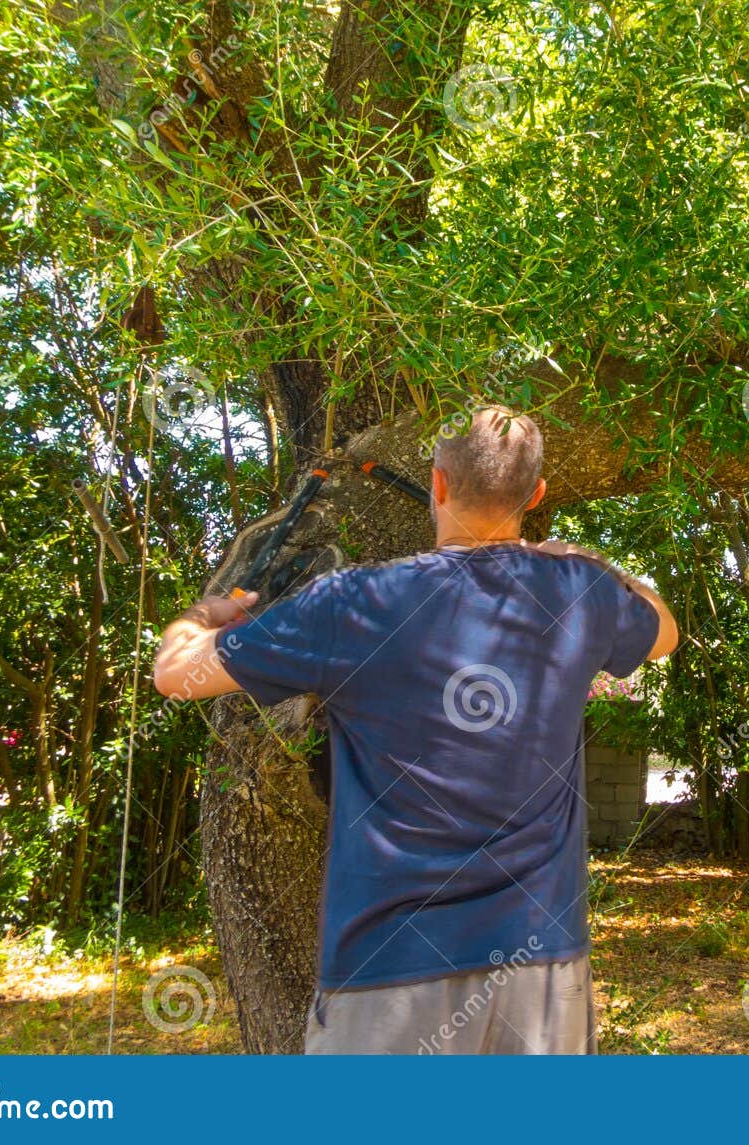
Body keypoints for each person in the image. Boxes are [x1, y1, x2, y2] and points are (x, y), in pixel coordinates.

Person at [151, 407, 678, 1053]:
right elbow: (665, 630)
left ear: (437, 484)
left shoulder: (352, 602)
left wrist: (207, 612)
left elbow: (175, 674)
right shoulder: (576, 590)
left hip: (388, 978)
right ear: (535, 496)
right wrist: (588, 561)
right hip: (543, 974)